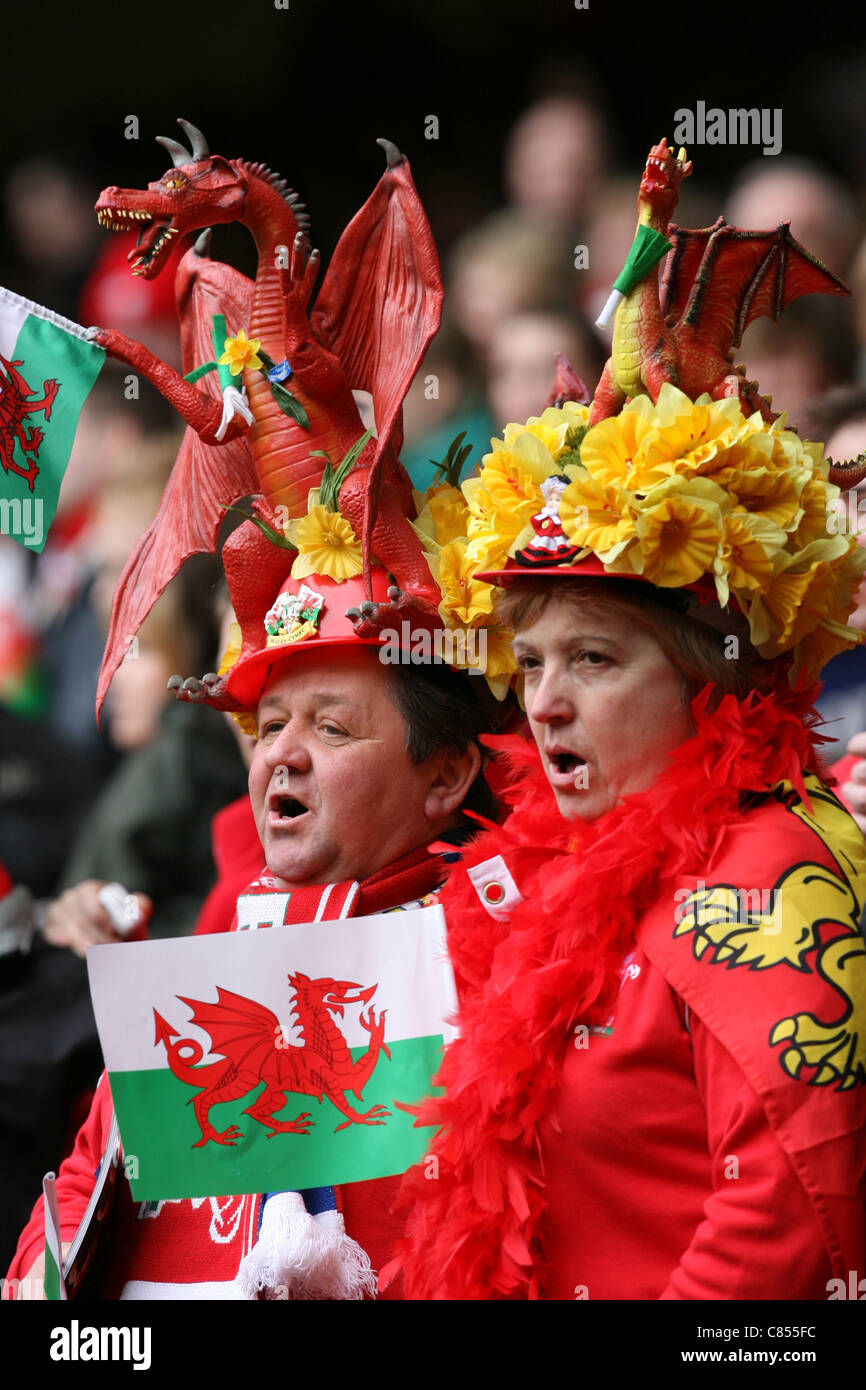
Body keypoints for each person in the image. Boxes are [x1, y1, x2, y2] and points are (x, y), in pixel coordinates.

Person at [385, 379, 866, 1299]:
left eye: (593, 659)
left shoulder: (766, 879)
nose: (544, 702)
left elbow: (793, 1221)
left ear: (705, 680)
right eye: (530, 663)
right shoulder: (538, 874)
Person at [5, 507, 504, 1299]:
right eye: (268, 726)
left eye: (331, 728)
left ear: (445, 775)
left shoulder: (500, 970)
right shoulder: (203, 970)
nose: (281, 754)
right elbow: (73, 1197)